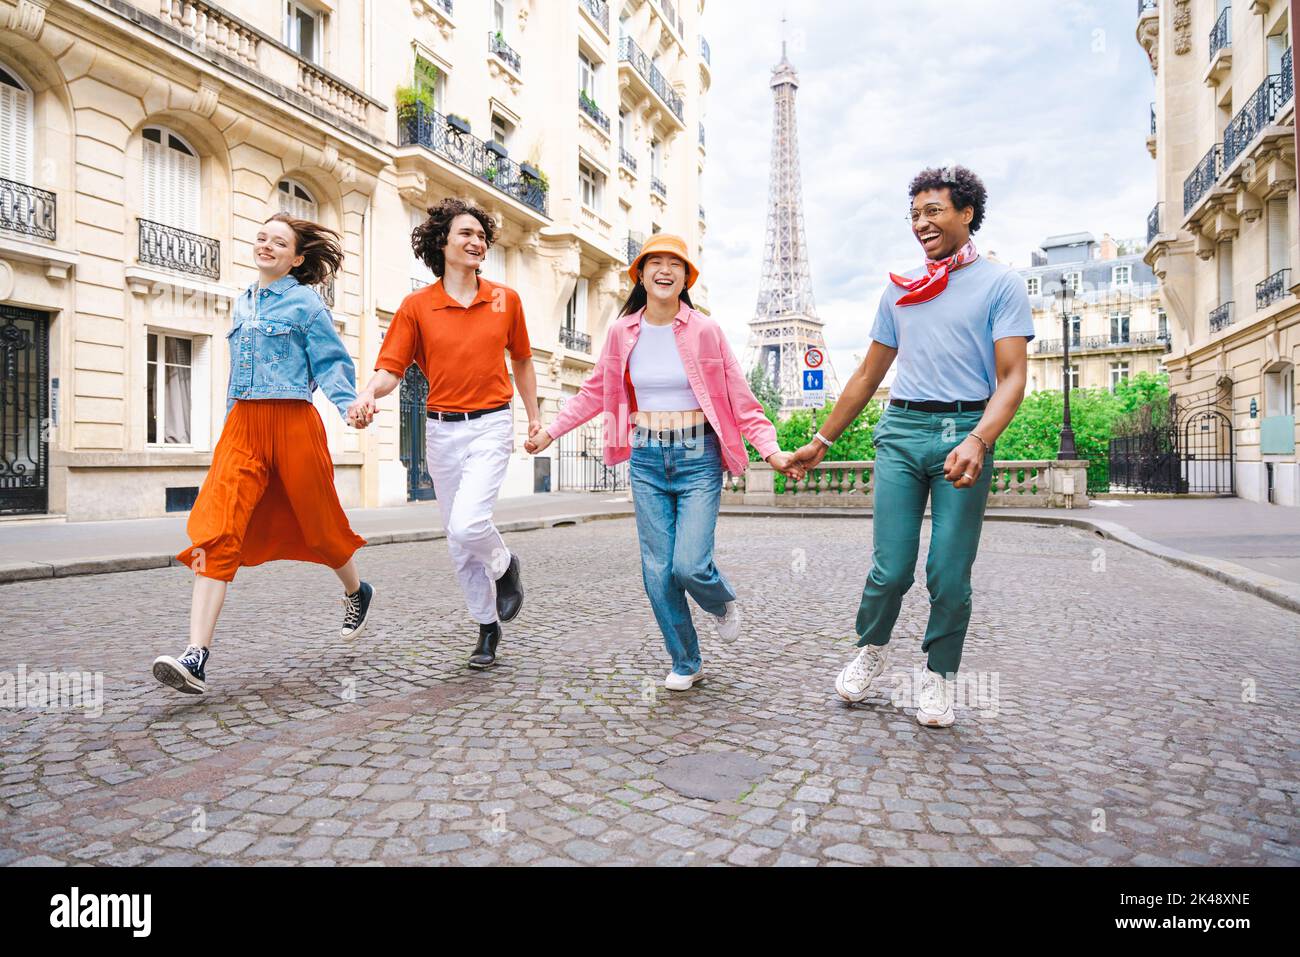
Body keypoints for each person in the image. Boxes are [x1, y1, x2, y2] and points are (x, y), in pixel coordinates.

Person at [793, 165, 1032, 728]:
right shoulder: (898, 290)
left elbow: (1013, 376)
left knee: (949, 570)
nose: (922, 223)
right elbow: (866, 376)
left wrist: (980, 437)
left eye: (934, 211)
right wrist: (823, 440)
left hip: (964, 434)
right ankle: (870, 649)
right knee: (891, 568)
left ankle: (939, 675)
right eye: (915, 214)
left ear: (966, 213)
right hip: (900, 432)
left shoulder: (1001, 284)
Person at [527, 234, 803, 690]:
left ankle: (719, 601)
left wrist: (771, 450)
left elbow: (740, 399)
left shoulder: (705, 331)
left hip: (698, 456)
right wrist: (550, 431)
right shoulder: (622, 333)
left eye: (674, 264)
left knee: (689, 564)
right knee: (657, 567)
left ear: (685, 277)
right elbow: (596, 393)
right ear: (640, 274)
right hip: (647, 457)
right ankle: (686, 659)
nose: (664, 269)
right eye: (654, 262)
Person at [153, 213, 374, 695]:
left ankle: (357, 591)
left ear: (297, 258)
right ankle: (196, 656)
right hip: (244, 426)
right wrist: (230, 425)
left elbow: (333, 365)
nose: (266, 246)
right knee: (216, 529)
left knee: (318, 523)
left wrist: (349, 407)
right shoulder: (242, 303)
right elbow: (237, 372)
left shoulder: (306, 305)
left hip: (293, 421)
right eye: (261, 238)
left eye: (279, 242)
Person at [348, 199, 535, 670]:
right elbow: (391, 369)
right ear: (442, 243)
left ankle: (505, 565)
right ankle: (486, 628)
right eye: (466, 234)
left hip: (491, 423)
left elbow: (524, 361)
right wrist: (369, 394)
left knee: (469, 524)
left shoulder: (505, 299)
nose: (477, 242)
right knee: (456, 540)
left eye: (480, 235)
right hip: (441, 431)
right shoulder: (417, 306)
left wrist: (535, 418)